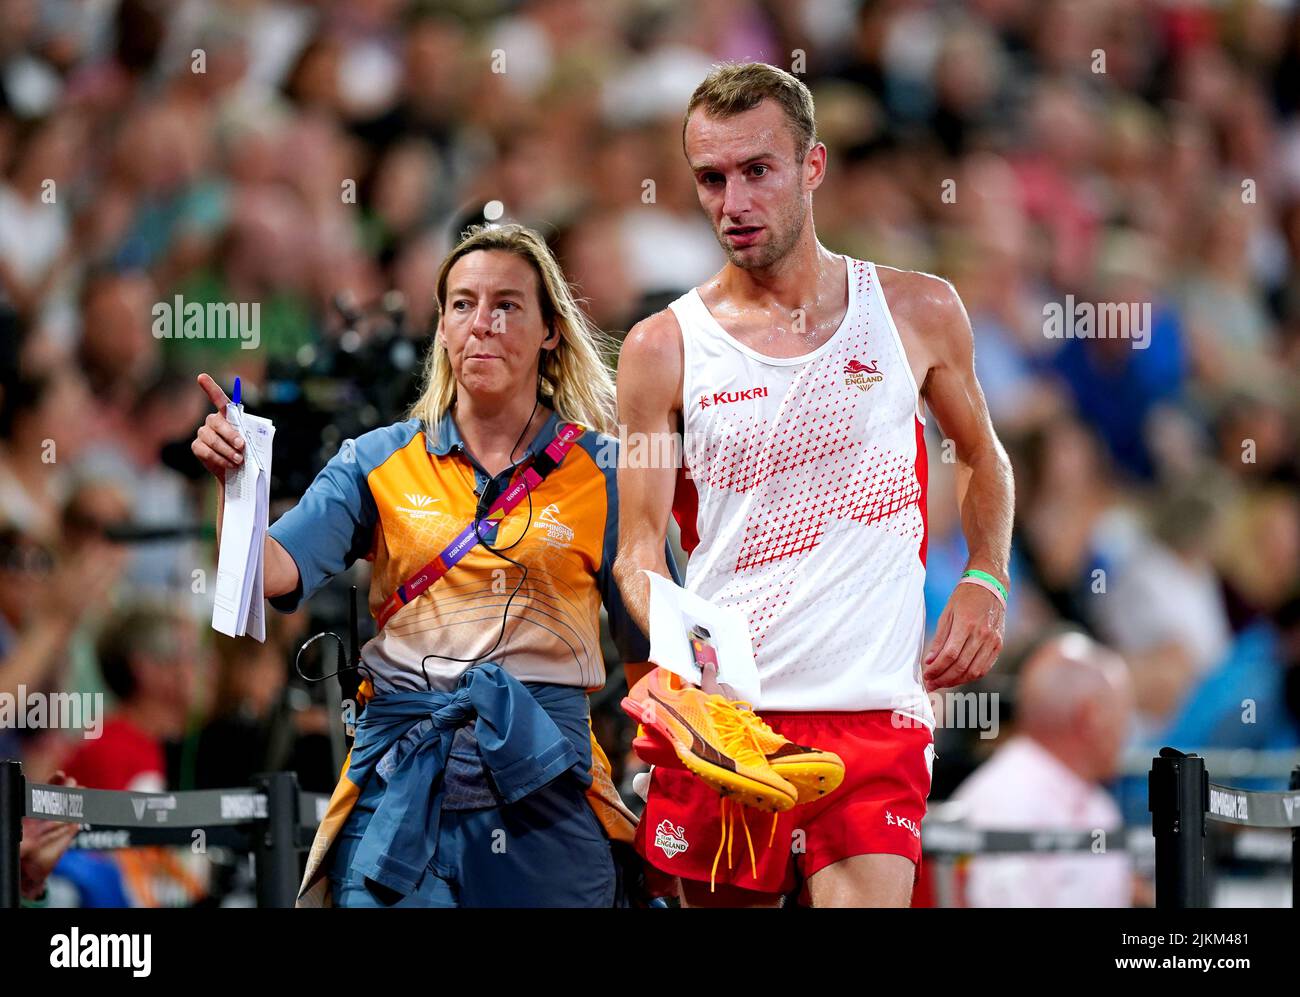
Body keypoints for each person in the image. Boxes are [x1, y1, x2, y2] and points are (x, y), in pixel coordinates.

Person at [614, 63, 1014, 908]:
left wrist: (984, 575)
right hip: (730, 726)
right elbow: (639, 551)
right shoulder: (661, 347)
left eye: (757, 171)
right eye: (711, 179)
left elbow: (981, 453)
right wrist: (687, 656)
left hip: (875, 715)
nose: (733, 202)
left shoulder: (917, 310)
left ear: (813, 167)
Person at [191, 223, 662, 907]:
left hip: (545, 792)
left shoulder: (610, 471)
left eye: (507, 305)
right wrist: (234, 485)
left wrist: (662, 780)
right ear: (441, 327)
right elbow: (267, 573)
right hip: (402, 785)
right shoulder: (376, 457)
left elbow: (653, 647)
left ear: (550, 329)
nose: (483, 324)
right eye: (463, 305)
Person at [948, 632, 1139, 907]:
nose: (1127, 733)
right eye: (1123, 715)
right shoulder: (1003, 805)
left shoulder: (1098, 806)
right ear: (1090, 717)